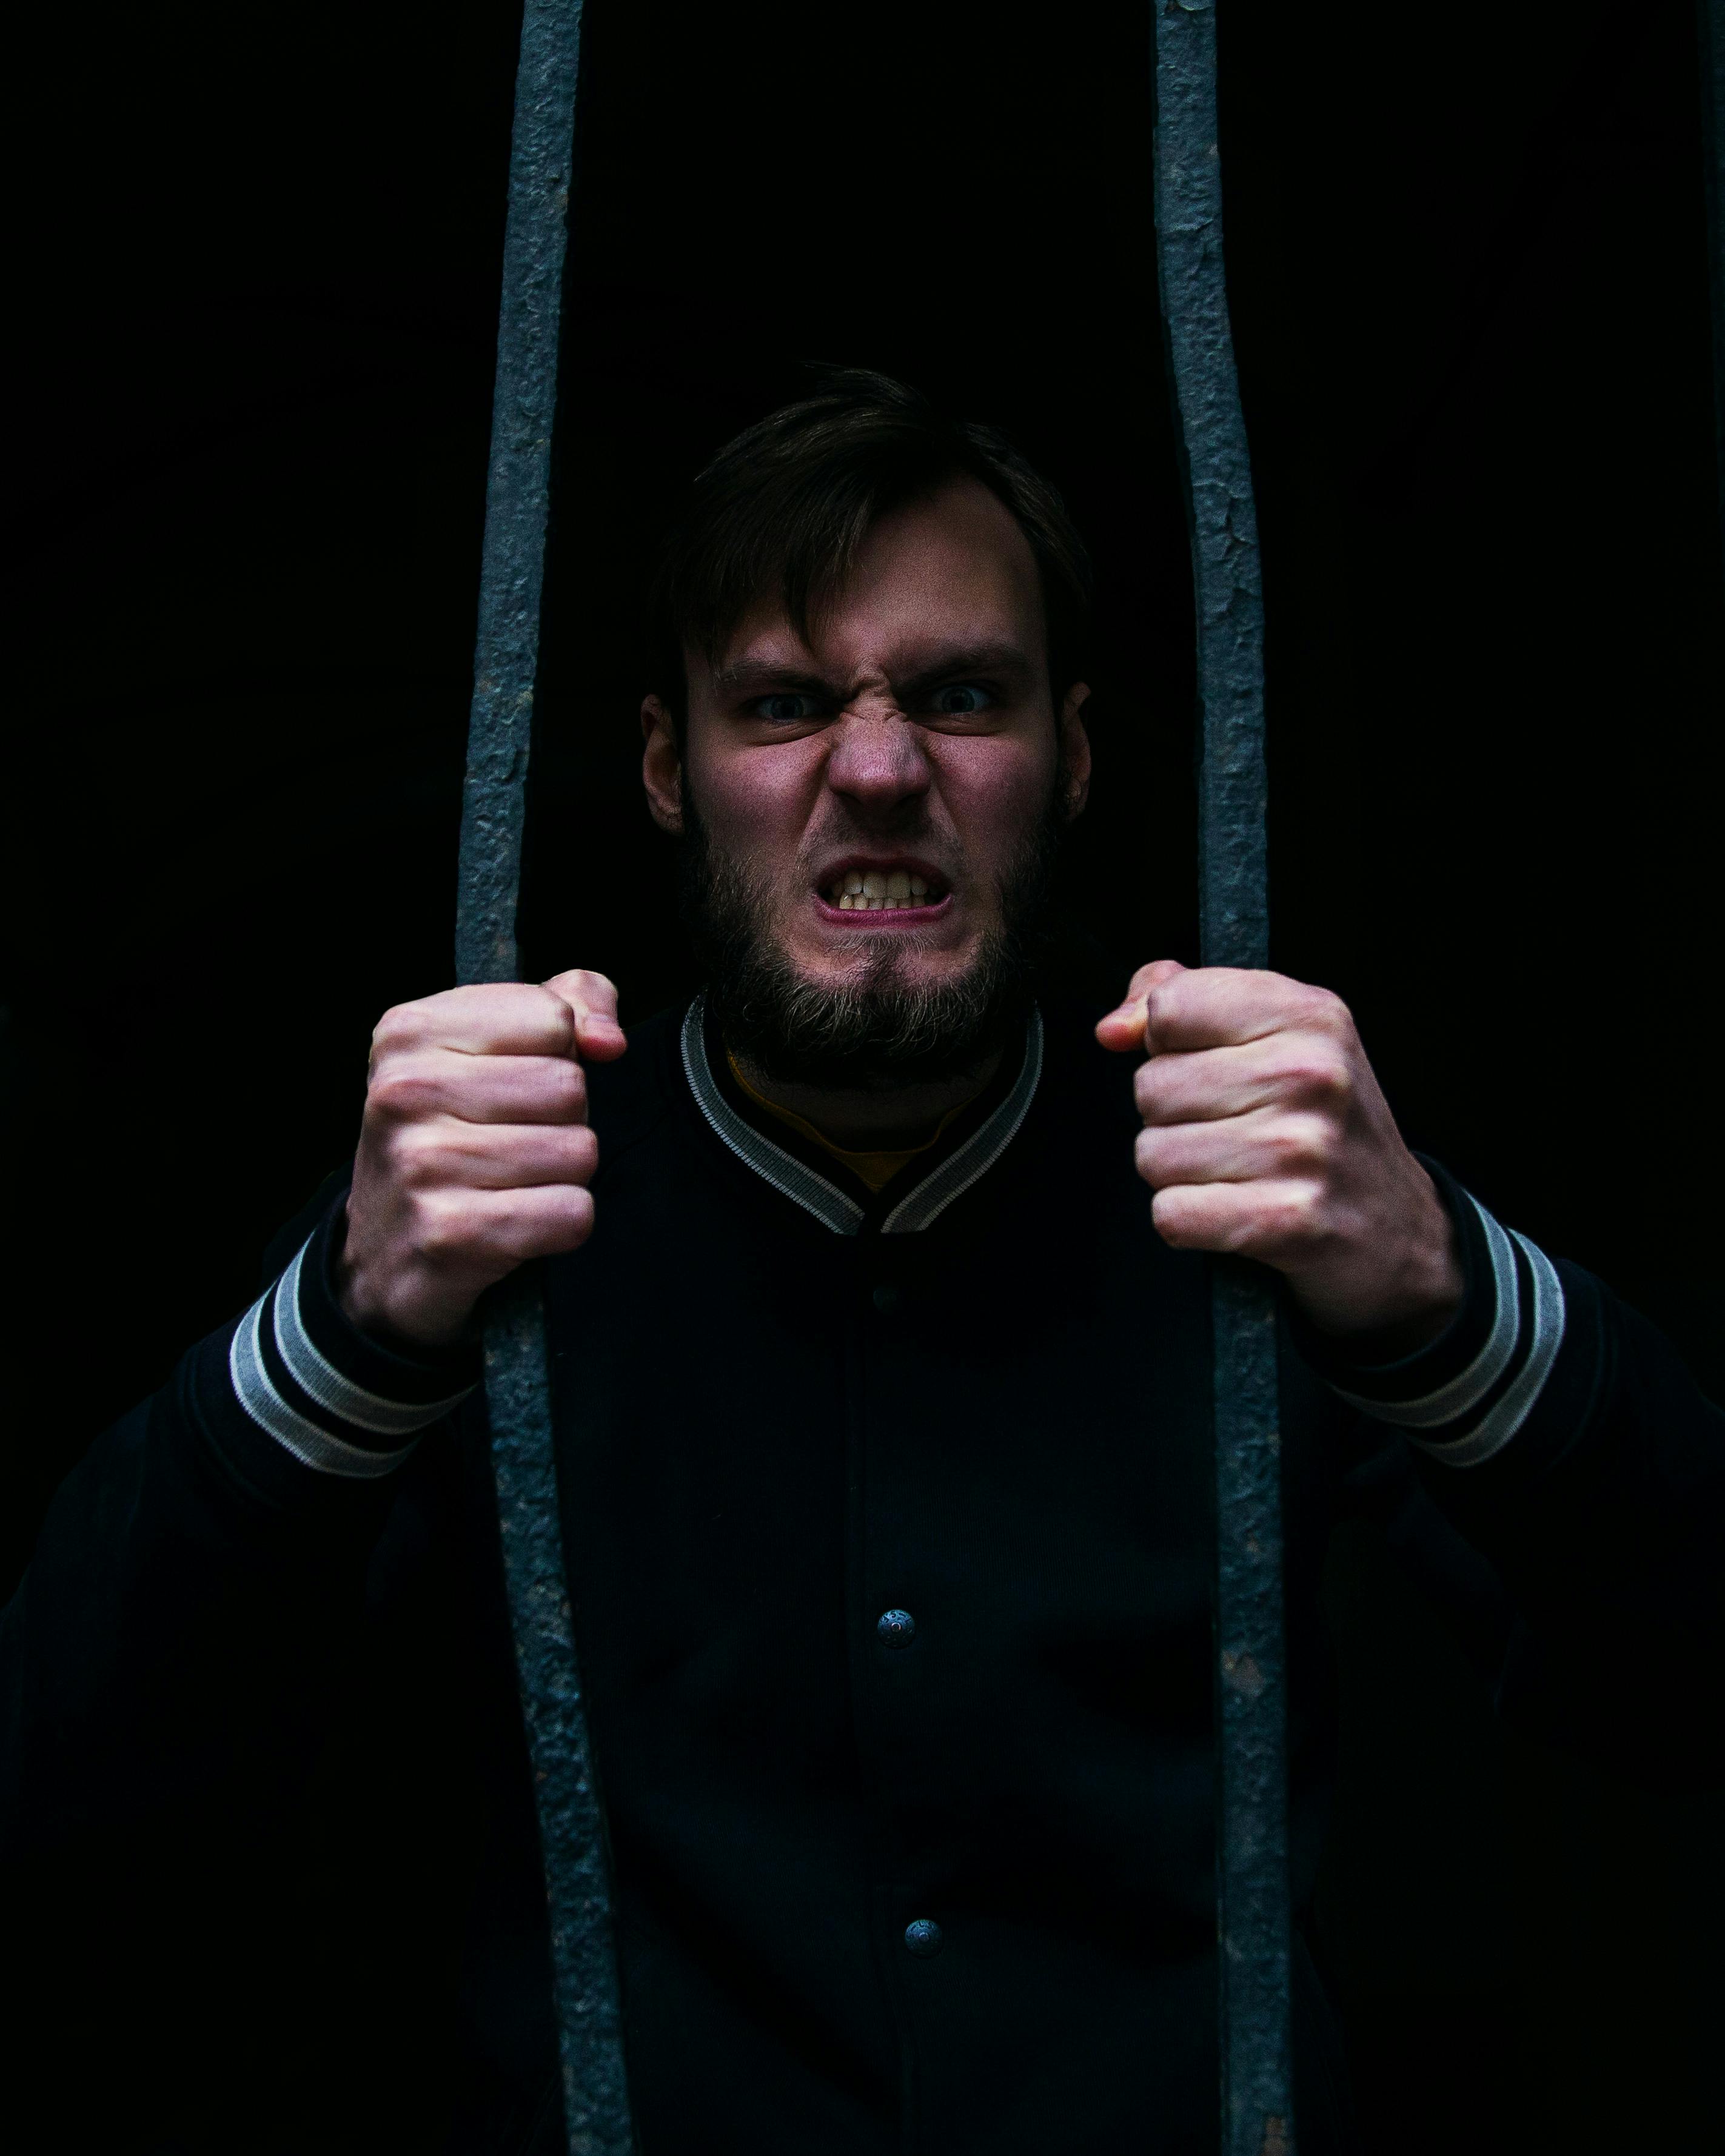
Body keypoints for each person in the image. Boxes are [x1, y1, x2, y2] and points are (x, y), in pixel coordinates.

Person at [4, 371, 1719, 2156]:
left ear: (1073, 749)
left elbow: (1682, 1679)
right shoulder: (482, 1211)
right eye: (786, 701)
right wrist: (335, 1336)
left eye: (962, 696)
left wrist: (1451, 1284)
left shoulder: (1254, 1184)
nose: (881, 770)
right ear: (669, 766)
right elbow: (73, 1786)